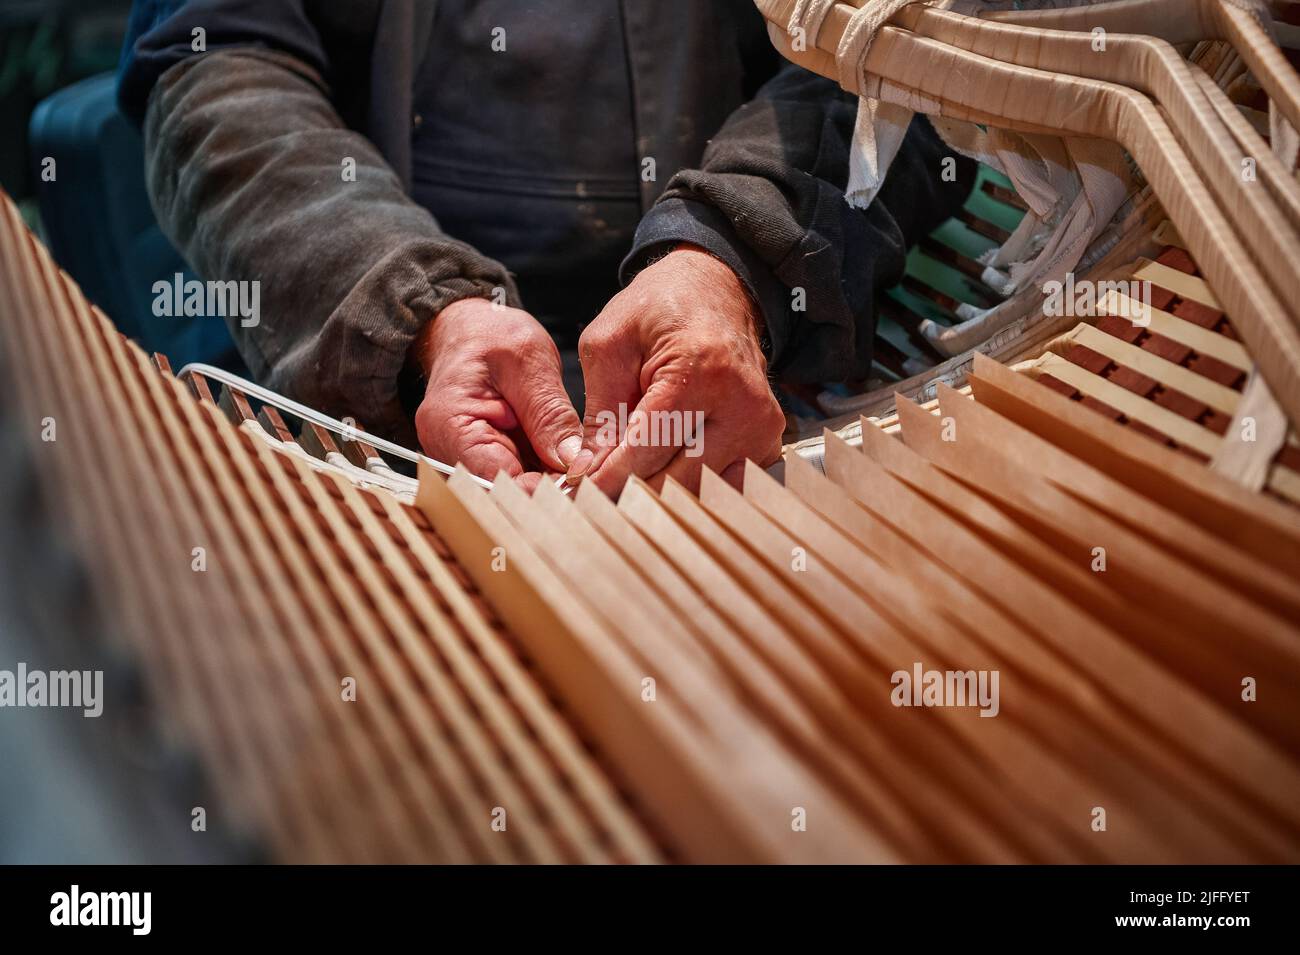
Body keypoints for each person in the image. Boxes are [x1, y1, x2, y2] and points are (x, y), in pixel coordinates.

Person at [118, 0, 973, 493]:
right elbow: (214, 62)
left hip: (752, 375)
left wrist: (732, 257)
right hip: (356, 390)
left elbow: (913, 47)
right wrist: (419, 315)